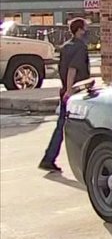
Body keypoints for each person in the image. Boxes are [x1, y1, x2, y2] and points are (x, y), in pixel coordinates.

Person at [38, 18, 90, 172]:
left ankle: (49, 158)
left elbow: (63, 69)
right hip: (76, 92)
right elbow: (73, 69)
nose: (87, 30)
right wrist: (70, 90)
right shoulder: (80, 47)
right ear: (79, 30)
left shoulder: (66, 47)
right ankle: (85, 162)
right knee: (85, 126)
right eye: (85, 27)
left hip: (66, 91)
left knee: (61, 126)